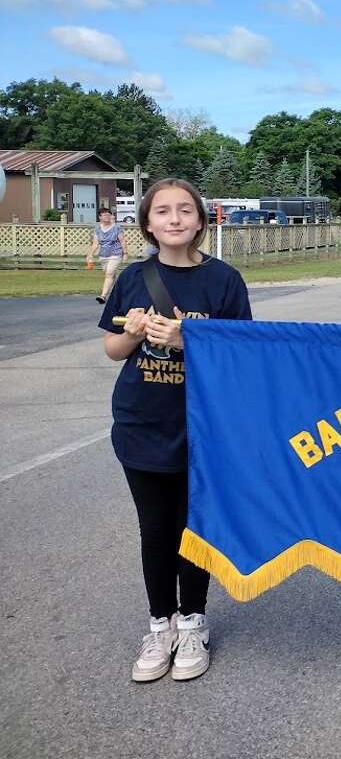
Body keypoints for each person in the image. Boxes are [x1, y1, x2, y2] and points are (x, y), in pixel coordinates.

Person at [98, 178, 252, 683]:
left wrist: (190, 340)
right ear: (147, 223)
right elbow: (113, 351)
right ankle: (159, 624)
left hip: (202, 428)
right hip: (142, 421)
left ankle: (193, 622)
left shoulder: (225, 281)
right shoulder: (133, 278)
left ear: (202, 220)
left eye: (185, 209)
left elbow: (239, 359)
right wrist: (133, 334)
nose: (175, 218)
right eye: (162, 211)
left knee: (194, 530)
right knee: (156, 529)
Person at [88, 206, 128, 304]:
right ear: (100, 217)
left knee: (109, 274)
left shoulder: (117, 228)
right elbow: (95, 243)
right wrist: (90, 254)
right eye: (104, 215)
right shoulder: (98, 229)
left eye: (108, 214)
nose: (107, 216)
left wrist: (125, 254)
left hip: (115, 254)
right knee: (111, 276)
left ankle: (103, 296)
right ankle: (120, 293)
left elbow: (122, 241)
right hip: (103, 256)